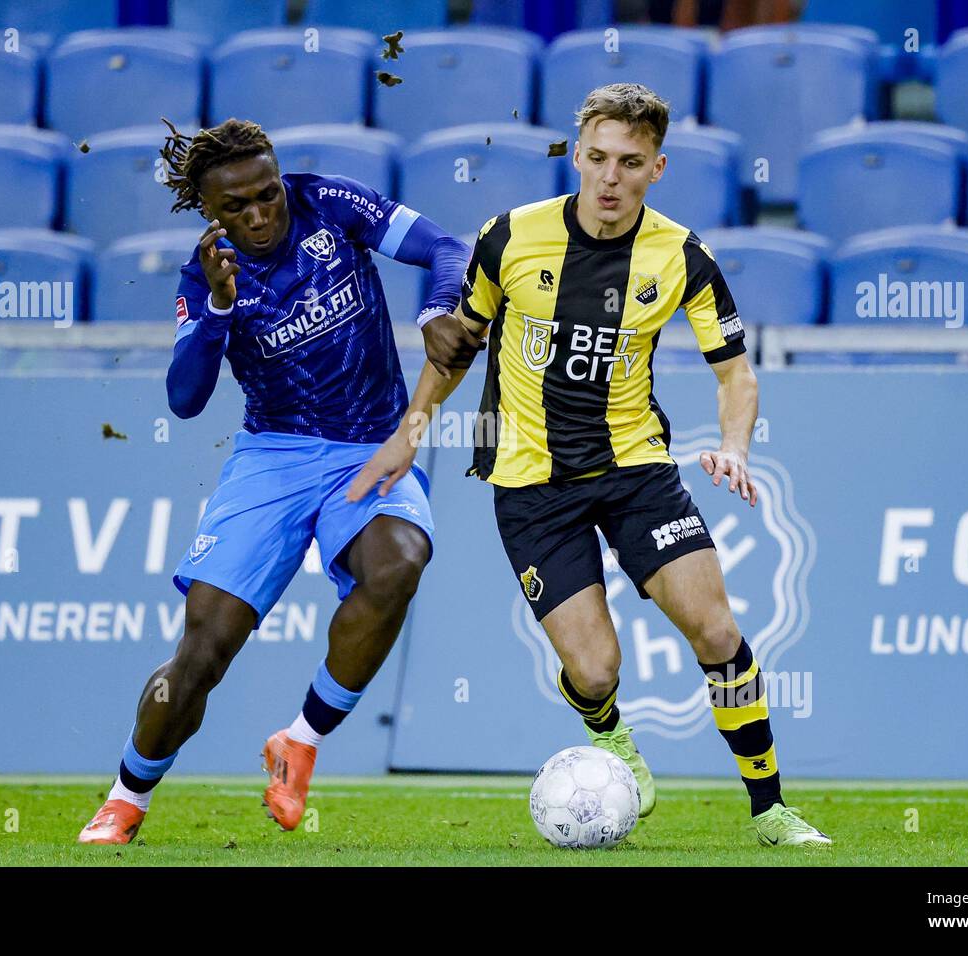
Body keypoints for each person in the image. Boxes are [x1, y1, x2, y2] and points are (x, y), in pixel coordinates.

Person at [354, 84, 830, 847]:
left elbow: (736, 373)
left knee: (715, 628)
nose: (611, 178)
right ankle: (609, 735)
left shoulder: (680, 256)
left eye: (631, 163)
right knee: (597, 671)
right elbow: (458, 346)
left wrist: (735, 447)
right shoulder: (508, 237)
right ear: (577, 155)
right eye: (599, 158)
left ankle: (770, 807)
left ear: (658, 167)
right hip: (530, 485)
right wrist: (412, 432)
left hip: (637, 471)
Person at [78, 118, 470, 844]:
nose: (259, 215)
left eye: (267, 195)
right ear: (209, 211)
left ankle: (302, 739)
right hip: (275, 456)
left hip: (369, 445)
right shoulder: (205, 274)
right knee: (202, 654)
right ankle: (126, 798)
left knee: (398, 565)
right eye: (237, 207)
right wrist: (220, 310)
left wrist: (438, 310)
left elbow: (449, 247)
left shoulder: (331, 203)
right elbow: (185, 400)